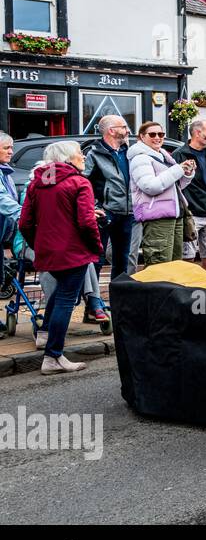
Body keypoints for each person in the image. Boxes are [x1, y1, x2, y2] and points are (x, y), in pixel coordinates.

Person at [19, 141, 102, 375]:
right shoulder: (79, 182)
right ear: (67, 158)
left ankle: (46, 336)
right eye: (79, 154)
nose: (83, 158)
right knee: (66, 299)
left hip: (48, 250)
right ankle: (53, 355)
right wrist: (95, 246)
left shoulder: (37, 183)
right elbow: (87, 222)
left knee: (59, 294)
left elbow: (24, 222)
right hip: (73, 252)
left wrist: (38, 244)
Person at [82, 115, 133, 320]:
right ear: (111, 131)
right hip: (105, 213)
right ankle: (93, 307)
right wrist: (94, 207)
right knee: (97, 259)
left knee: (122, 260)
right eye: (124, 126)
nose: (128, 130)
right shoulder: (93, 153)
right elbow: (83, 183)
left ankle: (118, 304)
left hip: (127, 212)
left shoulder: (129, 151)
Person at [130, 121, 194, 267]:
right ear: (142, 137)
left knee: (175, 264)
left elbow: (175, 187)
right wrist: (178, 170)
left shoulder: (164, 155)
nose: (158, 137)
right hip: (156, 216)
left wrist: (187, 173)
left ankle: (170, 290)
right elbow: (150, 186)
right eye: (152, 134)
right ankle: (155, 290)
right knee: (158, 264)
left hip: (174, 214)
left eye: (161, 134)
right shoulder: (140, 158)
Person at [174, 119, 206, 270]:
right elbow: (176, 185)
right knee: (187, 259)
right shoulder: (180, 155)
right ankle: (187, 290)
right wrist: (185, 208)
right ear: (197, 133)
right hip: (191, 214)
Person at [0, 133, 21, 269]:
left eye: (11, 147)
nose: (11, 152)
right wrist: (22, 214)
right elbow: (1, 198)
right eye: (6, 148)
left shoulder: (6, 173)